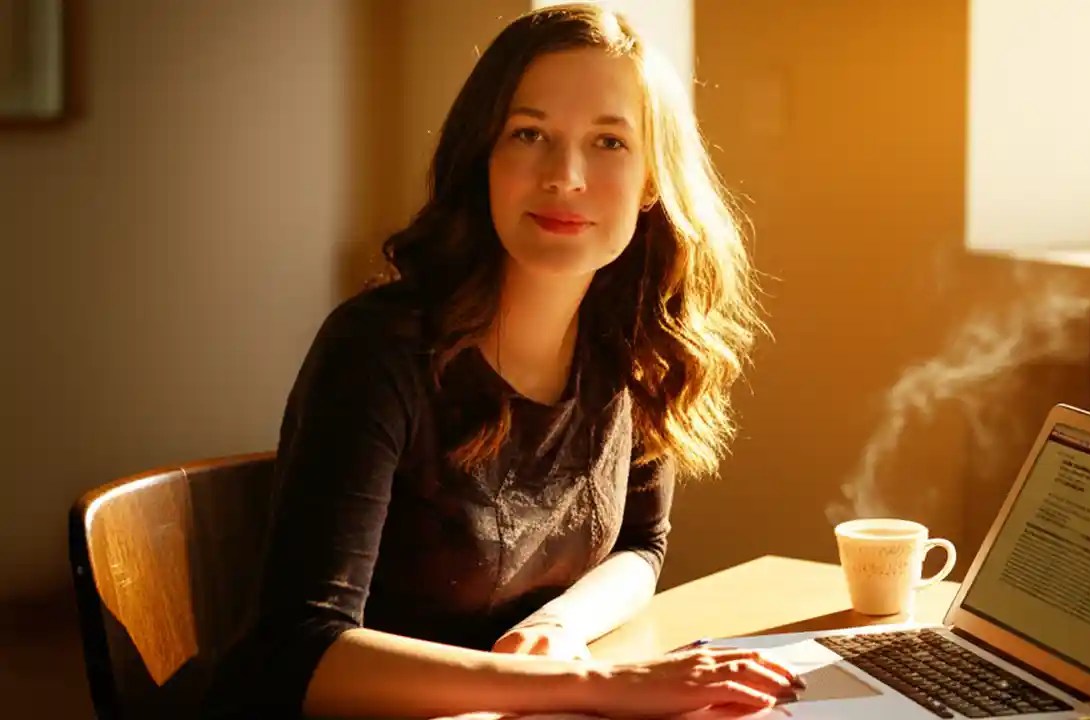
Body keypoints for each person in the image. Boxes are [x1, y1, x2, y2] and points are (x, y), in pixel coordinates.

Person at [204, 3, 778, 718]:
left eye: (608, 142)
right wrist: (599, 687)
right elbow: (299, 650)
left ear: (653, 181)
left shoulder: (630, 345)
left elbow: (641, 545)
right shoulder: (376, 350)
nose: (565, 175)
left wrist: (557, 626)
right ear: (484, 159)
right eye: (529, 133)